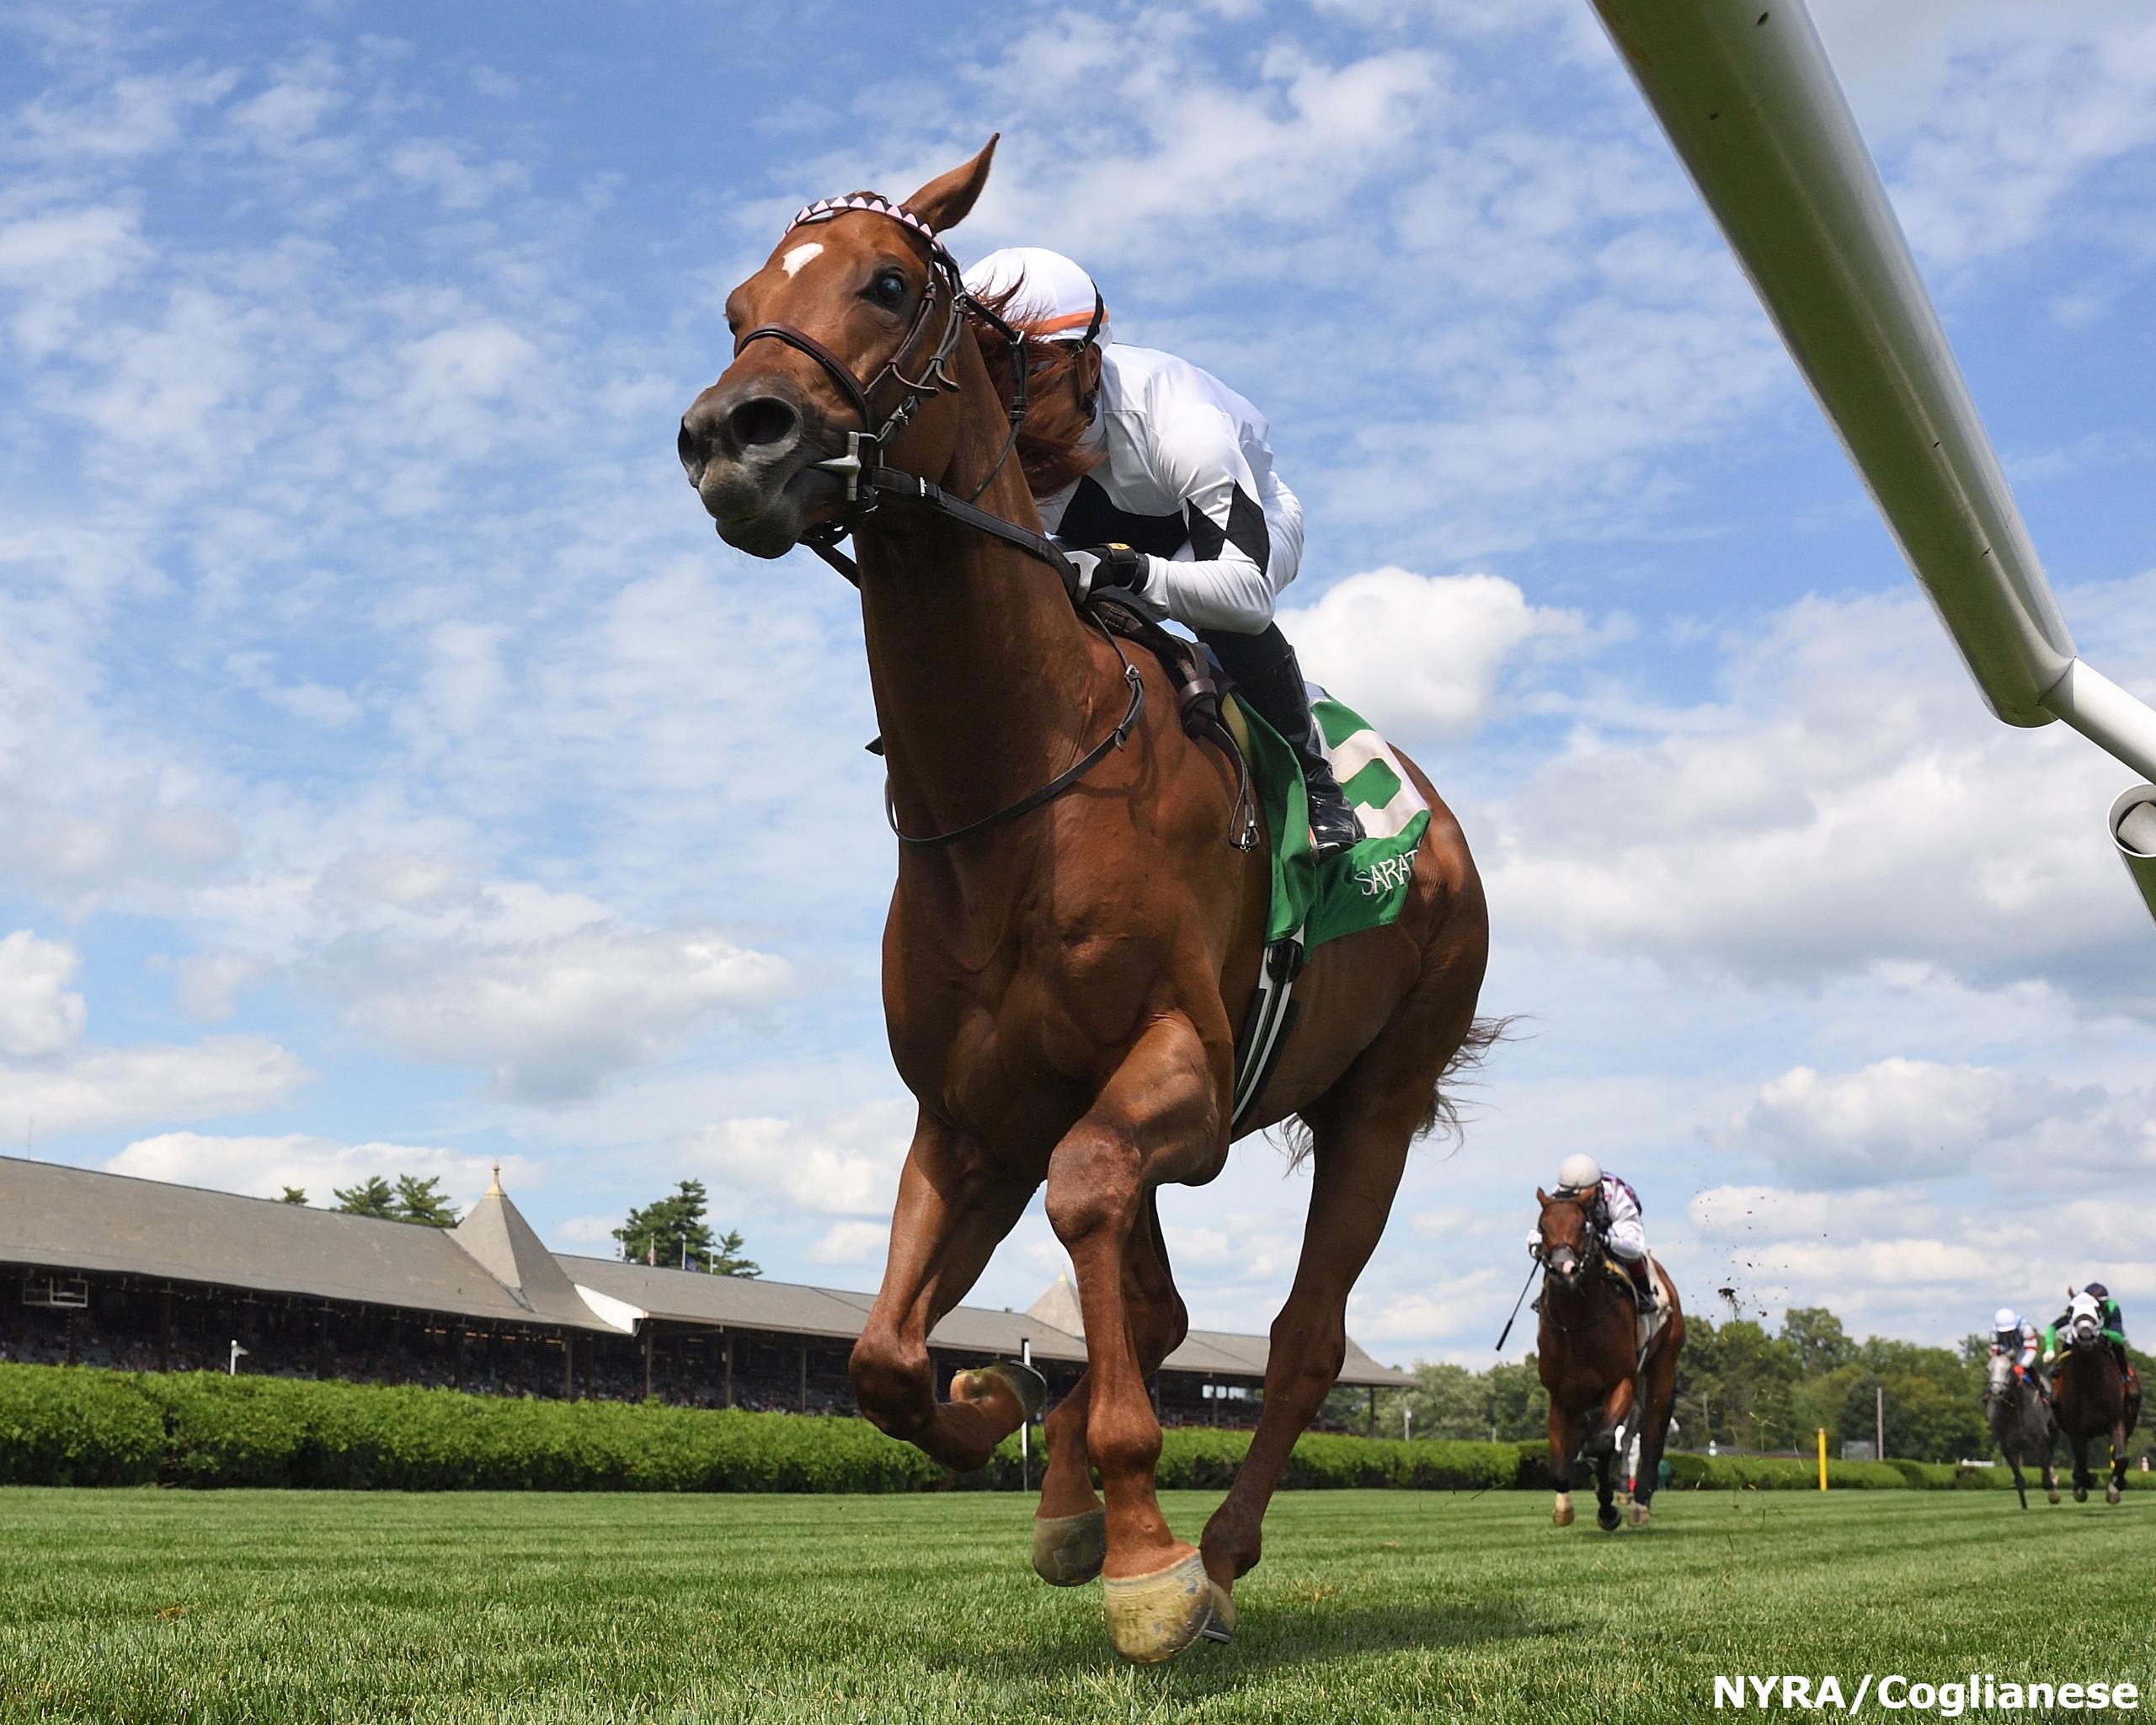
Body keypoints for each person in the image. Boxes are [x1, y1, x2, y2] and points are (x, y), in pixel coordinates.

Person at [959, 246, 1363, 855]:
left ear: (1087, 366)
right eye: (983, 379)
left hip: (1245, 536)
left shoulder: (1182, 420)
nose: (1002, 411)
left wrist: (1131, 569)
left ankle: (1316, 784)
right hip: (1103, 540)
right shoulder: (1010, 426)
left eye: (1024, 378)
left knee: (1212, 606)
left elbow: (1248, 597)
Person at [1553, 1153, 1656, 1312]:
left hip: (1612, 1228)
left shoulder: (1616, 1194)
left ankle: (1644, 1293)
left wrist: (1604, 1239)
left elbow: (1634, 1246)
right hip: (1581, 1235)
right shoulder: (1559, 1193)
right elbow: (1540, 1232)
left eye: (1585, 1197)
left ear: (1597, 1189)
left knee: (1629, 1255)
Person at [2047, 1283, 2133, 1381]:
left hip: (2104, 1337)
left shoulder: (2113, 1308)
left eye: (2101, 1304)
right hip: (2081, 1338)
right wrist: (2049, 1348)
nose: (2100, 1307)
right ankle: (2058, 1371)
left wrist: (2102, 1332)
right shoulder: (2079, 1308)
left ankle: (2124, 1374)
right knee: (2066, 1349)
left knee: (2117, 1346)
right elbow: (2052, 1327)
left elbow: (2119, 1338)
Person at [1988, 1306, 2045, 1402]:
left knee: (2026, 1368)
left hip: (2024, 1347)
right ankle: (1991, 1393)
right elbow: (1995, 1352)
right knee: (1997, 1367)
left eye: (2010, 1332)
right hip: (2006, 1348)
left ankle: (2043, 1394)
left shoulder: (2025, 1327)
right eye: (2004, 1332)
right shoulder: (1994, 1332)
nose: (2007, 1335)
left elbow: (2031, 1350)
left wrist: (2021, 1366)